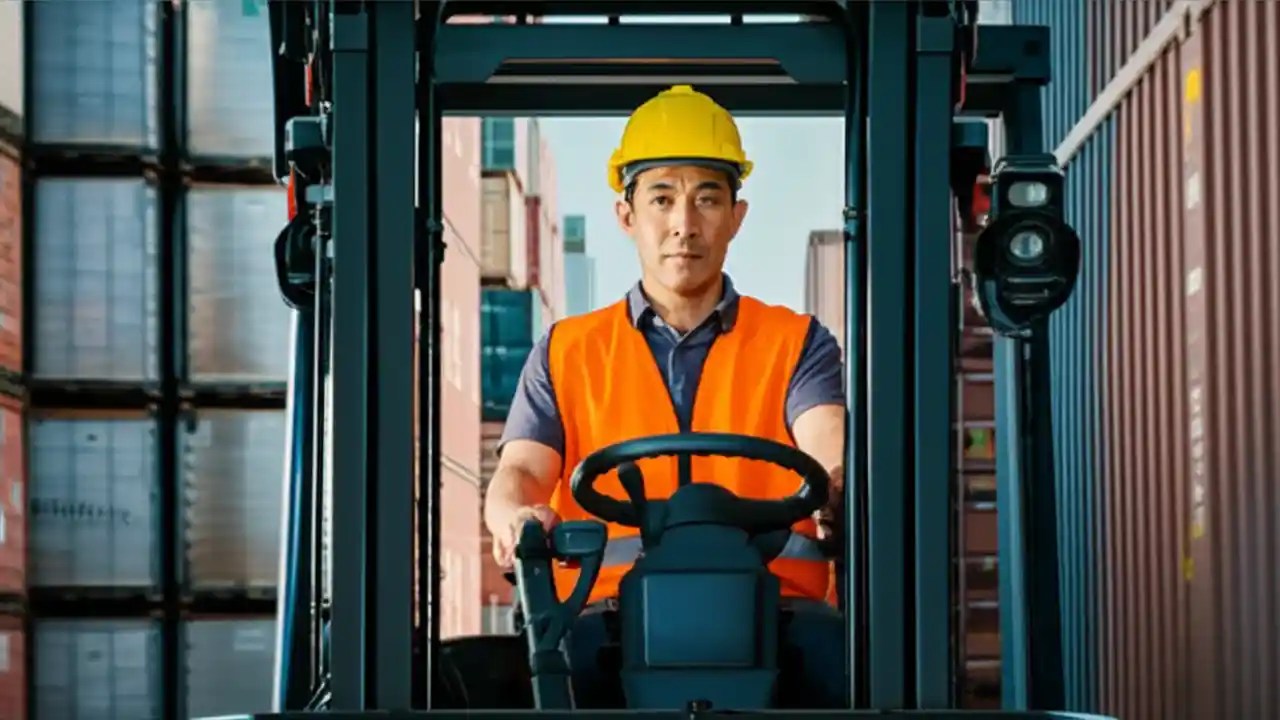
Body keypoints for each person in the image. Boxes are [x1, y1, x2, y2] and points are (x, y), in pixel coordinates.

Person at [481, 84, 847, 708]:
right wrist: (516, 516)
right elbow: (518, 471)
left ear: (737, 215)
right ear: (627, 216)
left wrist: (838, 489)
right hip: (605, 622)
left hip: (778, 620)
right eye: (662, 198)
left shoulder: (797, 342)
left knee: (859, 669)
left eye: (708, 198)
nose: (685, 223)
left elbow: (828, 450)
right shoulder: (566, 350)